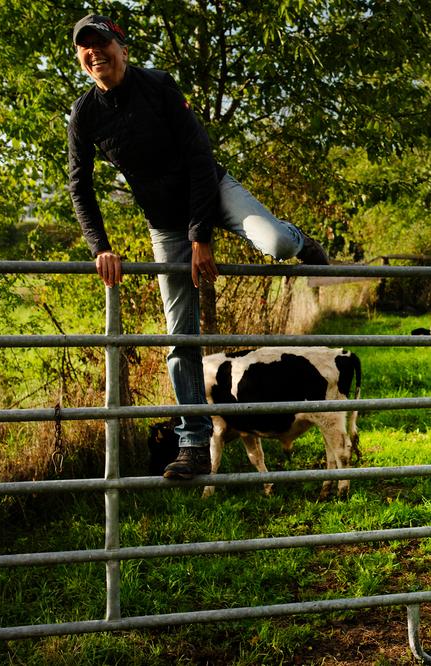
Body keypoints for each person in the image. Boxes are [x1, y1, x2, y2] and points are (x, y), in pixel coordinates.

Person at [67, 14, 329, 480]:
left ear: (122, 47)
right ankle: (192, 442)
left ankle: (300, 238)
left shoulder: (159, 86)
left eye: (102, 43)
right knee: (179, 338)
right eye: (85, 48)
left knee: (275, 243)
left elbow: (198, 155)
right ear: (80, 58)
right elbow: (80, 188)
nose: (95, 53)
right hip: (165, 225)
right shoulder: (85, 114)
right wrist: (100, 247)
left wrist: (201, 235)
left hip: (212, 190)